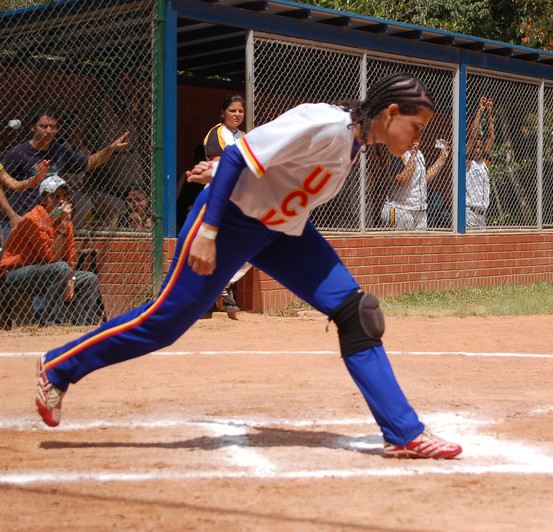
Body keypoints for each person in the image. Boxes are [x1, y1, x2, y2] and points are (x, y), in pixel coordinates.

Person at [34, 73, 463, 460]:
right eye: (416, 126)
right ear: (391, 113)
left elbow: (271, 165)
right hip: (229, 224)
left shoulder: (353, 143)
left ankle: (403, 433)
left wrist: (220, 168)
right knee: (164, 321)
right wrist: (209, 229)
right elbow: (241, 154)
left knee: (357, 313)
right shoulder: (327, 123)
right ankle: (58, 368)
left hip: (280, 231)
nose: (417, 137)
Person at [0, 105, 130, 239]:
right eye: (43, 126)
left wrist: (110, 148)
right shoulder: (18, 154)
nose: (49, 131)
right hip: (21, 219)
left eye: (53, 127)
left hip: (48, 224)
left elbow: (89, 163)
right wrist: (12, 215)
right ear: (32, 127)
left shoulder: (60, 152)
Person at [0, 176, 102, 326]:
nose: (61, 201)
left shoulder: (65, 221)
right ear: (43, 199)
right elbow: (50, 258)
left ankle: (84, 327)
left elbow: (70, 256)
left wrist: (71, 280)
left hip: (47, 274)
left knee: (89, 279)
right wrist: (63, 224)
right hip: (14, 276)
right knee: (60, 268)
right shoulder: (34, 219)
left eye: (64, 196)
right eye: (54, 196)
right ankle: (51, 323)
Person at [194, 94, 249, 319]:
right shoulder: (217, 133)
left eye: (240, 111)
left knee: (250, 244)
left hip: (239, 196)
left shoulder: (245, 136)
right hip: (218, 195)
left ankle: (223, 286)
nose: (236, 115)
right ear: (223, 112)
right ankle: (212, 293)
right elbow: (219, 167)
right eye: (232, 110)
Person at [380, 138, 451, 230]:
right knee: (402, 243)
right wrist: (412, 155)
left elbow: (424, 180)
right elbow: (402, 180)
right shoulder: (398, 151)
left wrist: (442, 157)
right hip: (401, 209)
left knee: (420, 243)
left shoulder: (419, 154)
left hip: (419, 210)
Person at [465, 96, 495, 228]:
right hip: (470, 211)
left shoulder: (483, 163)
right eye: (476, 147)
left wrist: (489, 113)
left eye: (480, 148)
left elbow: (492, 136)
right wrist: (480, 111)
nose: (477, 150)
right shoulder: (468, 162)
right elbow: (472, 135)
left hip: (482, 214)